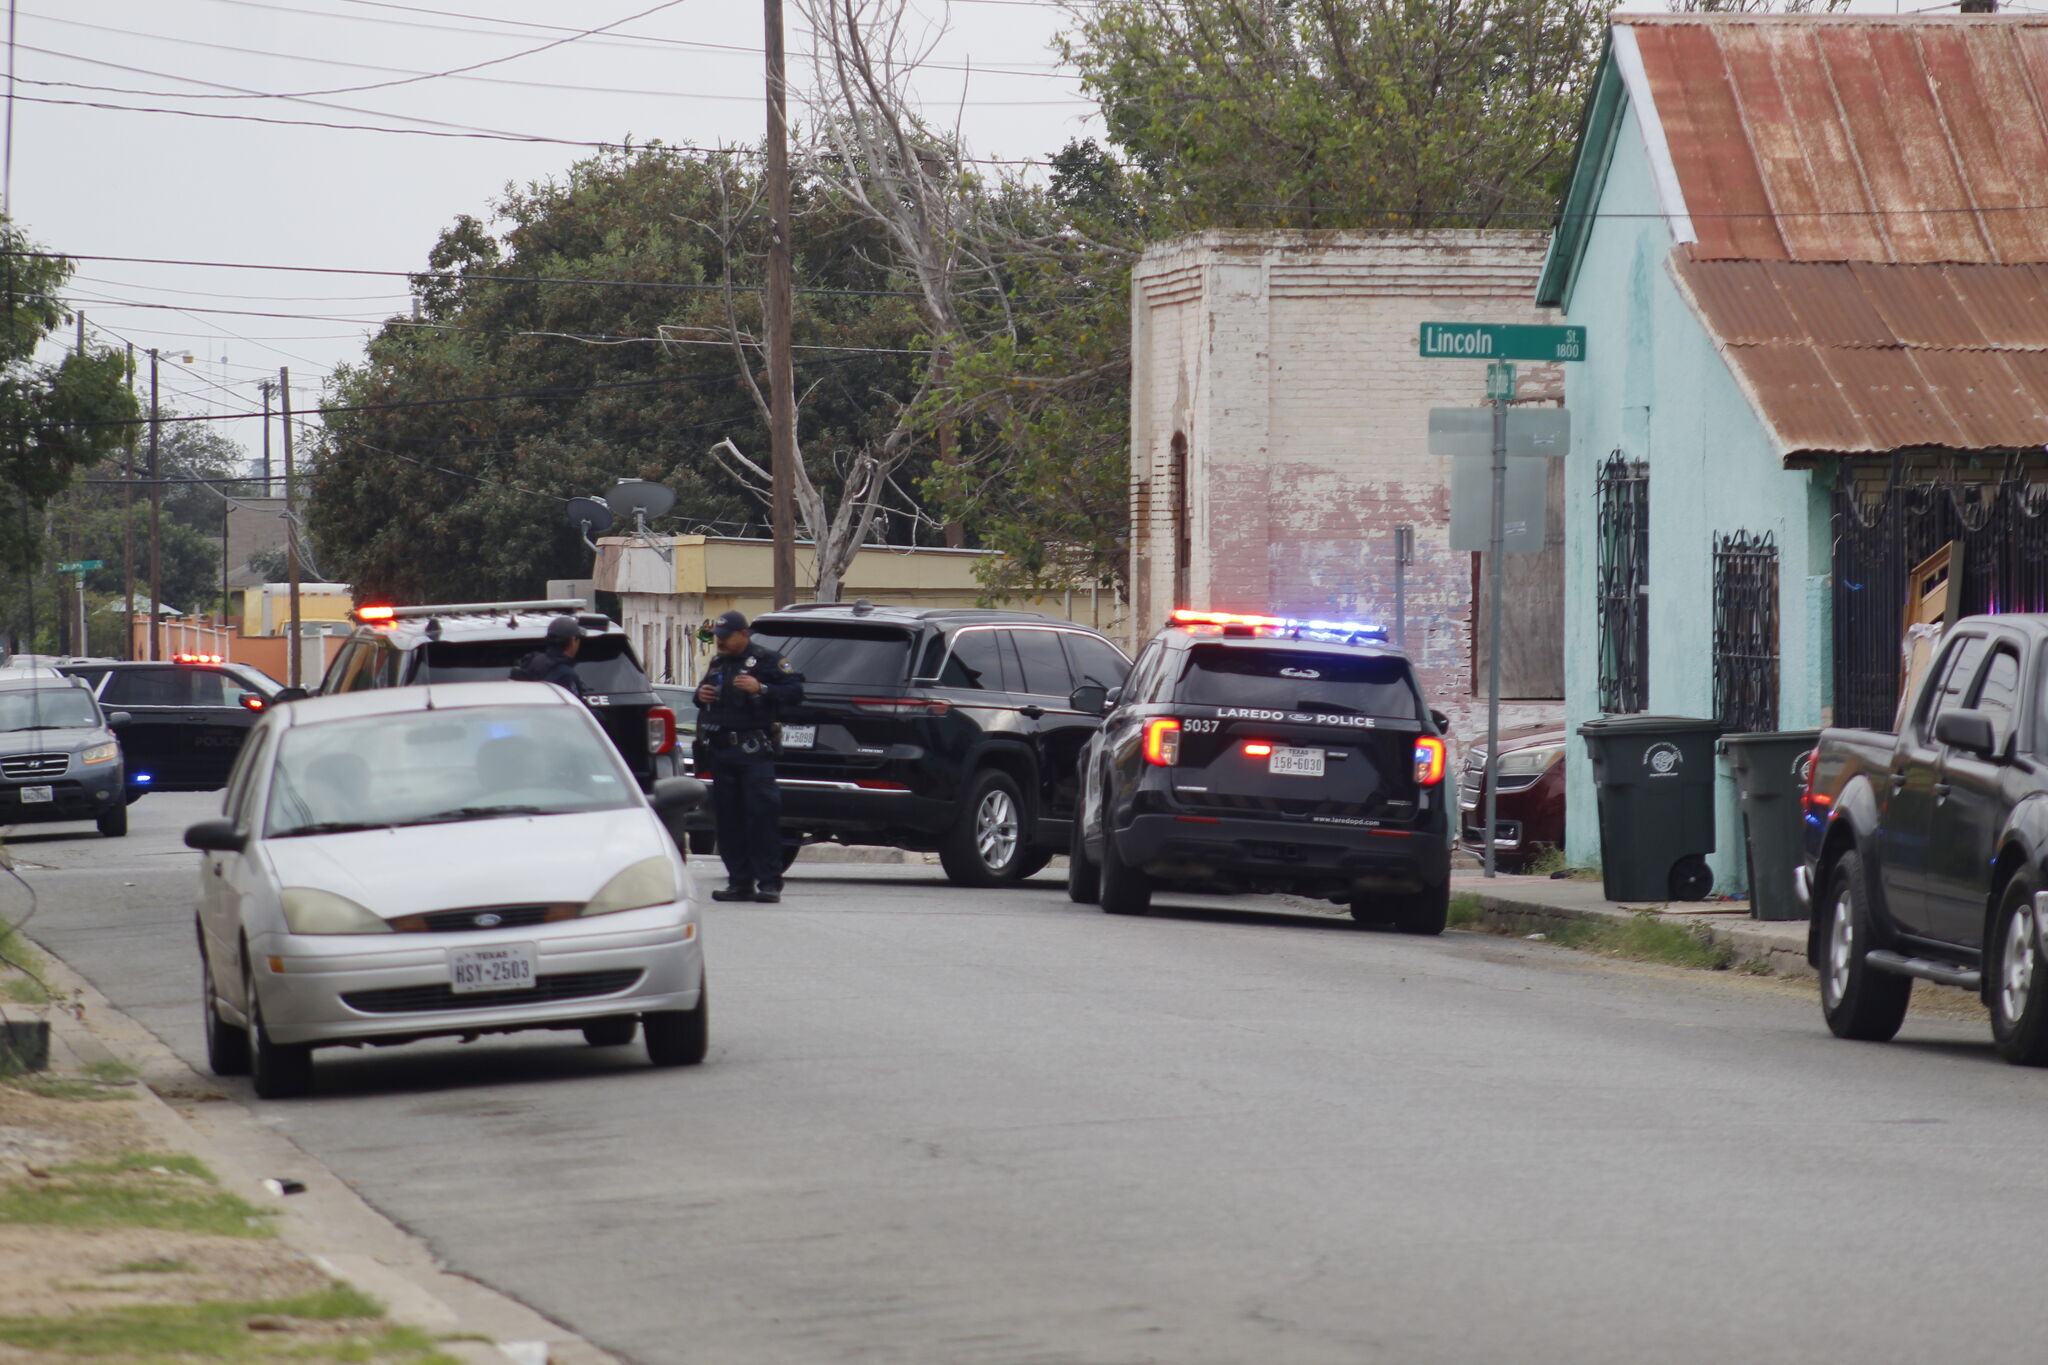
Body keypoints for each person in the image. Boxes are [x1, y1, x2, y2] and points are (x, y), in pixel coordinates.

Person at [694, 609, 803, 903]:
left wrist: (762, 687)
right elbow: (701, 697)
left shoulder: (766, 660)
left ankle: (769, 882)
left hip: (753, 751)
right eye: (718, 637)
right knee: (728, 820)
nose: (721, 642)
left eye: (726, 637)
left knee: (761, 815)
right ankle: (739, 882)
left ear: (743, 634)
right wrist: (700, 695)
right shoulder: (718, 661)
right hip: (721, 750)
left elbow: (795, 691)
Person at [510, 615, 585, 697]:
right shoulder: (566, 675)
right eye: (578, 639)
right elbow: (574, 707)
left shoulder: (531, 662)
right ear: (573, 640)